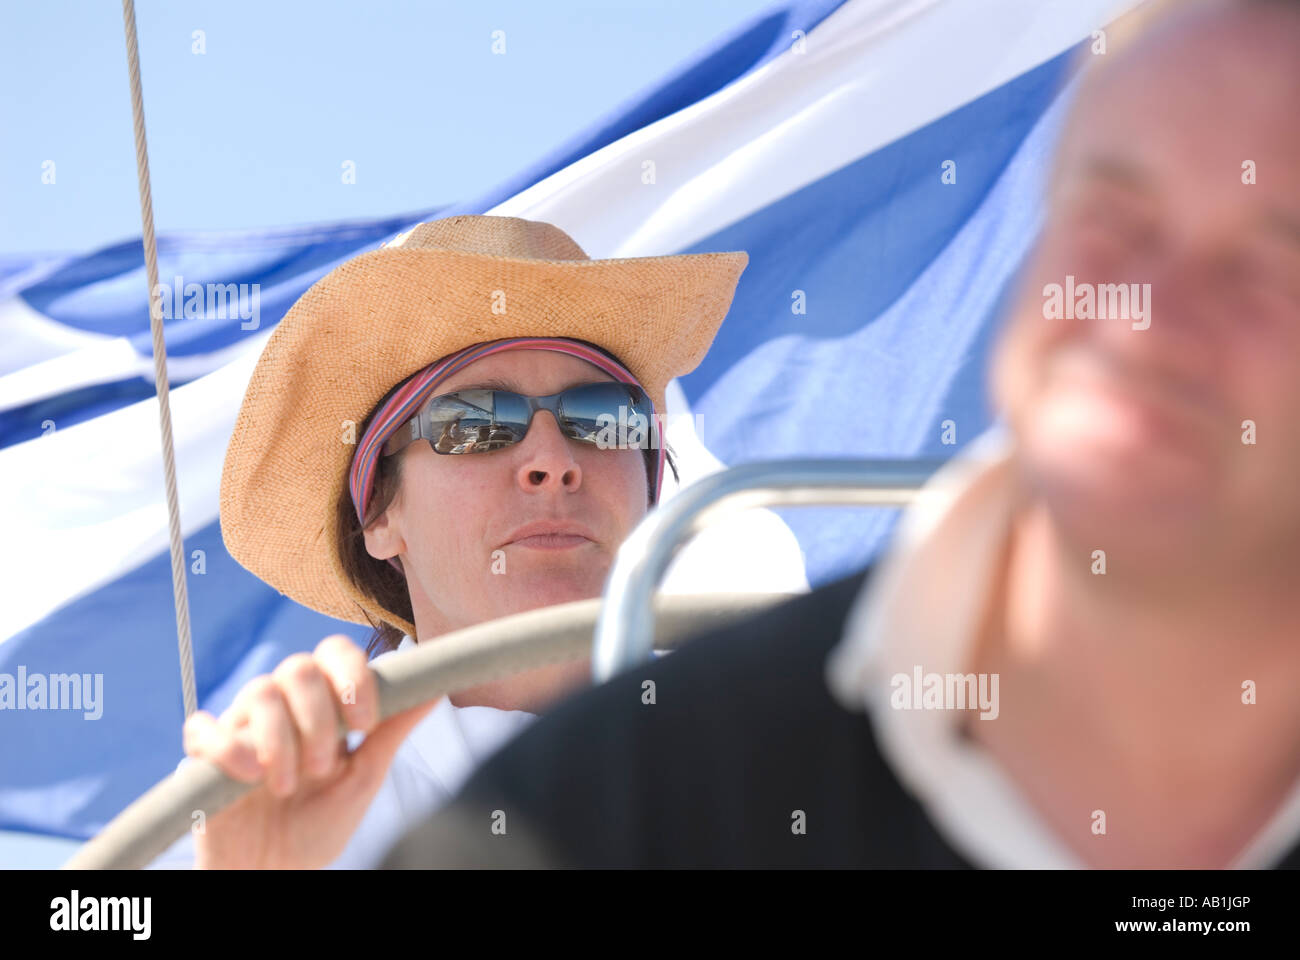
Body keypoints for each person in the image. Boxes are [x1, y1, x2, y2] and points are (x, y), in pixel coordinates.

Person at [383, 0, 1300, 869]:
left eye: (1274, 259)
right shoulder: (601, 808)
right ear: (377, 512)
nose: (1151, 316)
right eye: (476, 424)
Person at [146, 214, 750, 868]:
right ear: (378, 516)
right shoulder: (241, 805)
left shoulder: (778, 745)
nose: (551, 457)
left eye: (603, 420)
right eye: (475, 422)